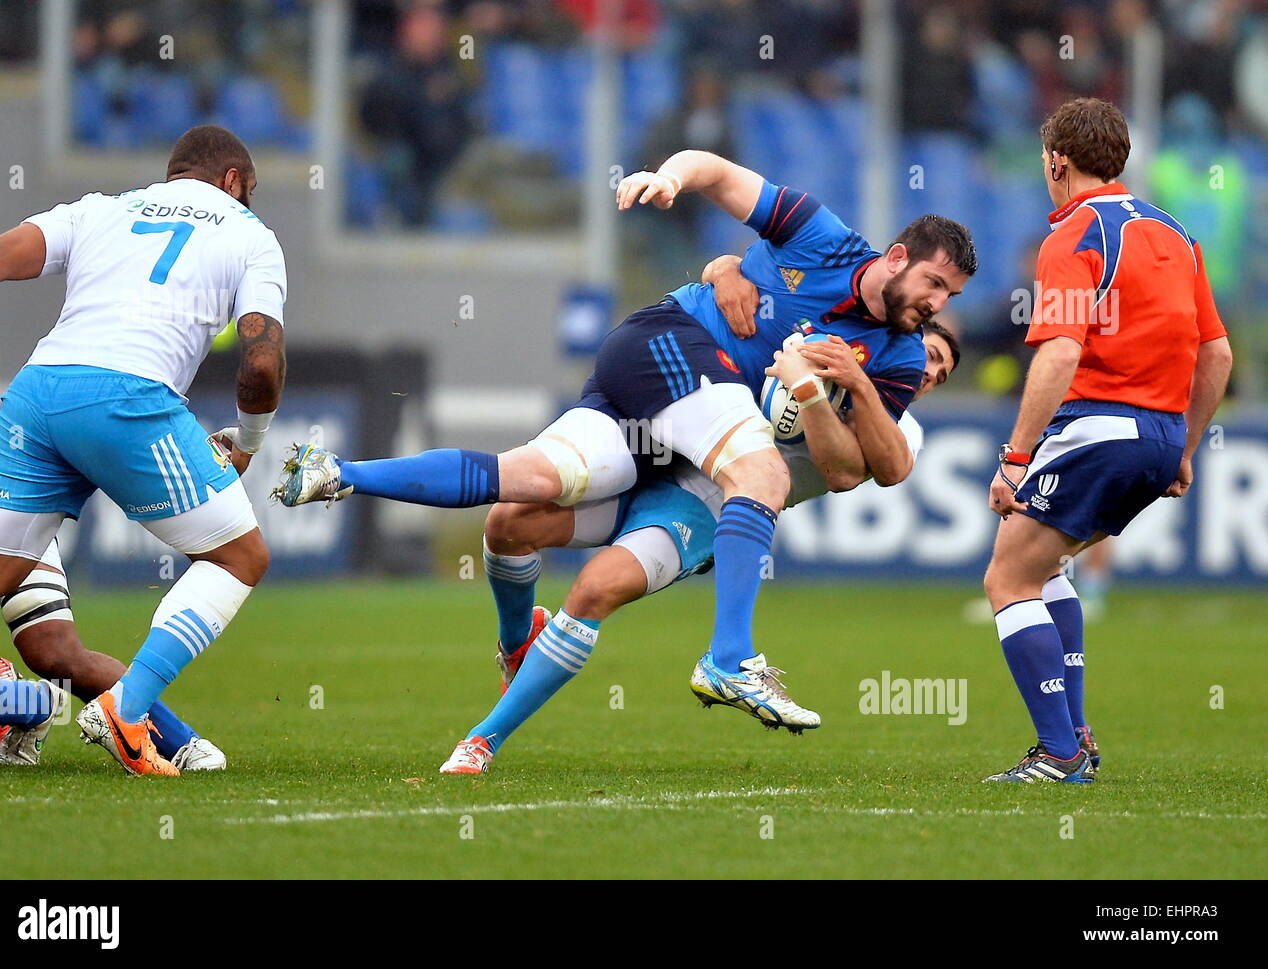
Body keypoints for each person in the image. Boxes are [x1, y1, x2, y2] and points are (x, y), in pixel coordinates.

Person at [275, 149, 975, 730]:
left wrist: (822, 388)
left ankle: (339, 475)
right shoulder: (824, 237)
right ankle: (730, 657)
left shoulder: (898, 363)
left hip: (682, 453)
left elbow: (860, 470)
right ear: (897, 256)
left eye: (952, 299)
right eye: (935, 284)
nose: (937, 307)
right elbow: (720, 173)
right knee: (763, 475)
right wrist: (673, 180)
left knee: (522, 497)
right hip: (674, 351)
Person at [440, 308, 961, 775]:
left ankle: (481, 741)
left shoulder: (900, 432)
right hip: (656, 463)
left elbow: (841, 469)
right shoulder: (805, 345)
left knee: (594, 590)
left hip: (702, 510)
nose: (930, 374)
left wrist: (818, 391)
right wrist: (725, 266)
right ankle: (517, 643)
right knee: (507, 523)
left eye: (941, 374)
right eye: (931, 357)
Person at [0, 124, 287, 775]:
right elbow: (261, 363)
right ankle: (127, 708)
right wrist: (249, 443)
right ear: (232, 181)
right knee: (240, 556)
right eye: (247, 193)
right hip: (126, 400)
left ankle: (88, 710)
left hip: (37, 394)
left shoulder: (100, 209)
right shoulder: (251, 235)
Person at [982, 98, 1232, 783]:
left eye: (1043, 158)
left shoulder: (1073, 234)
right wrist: (1182, 447)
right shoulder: (1175, 232)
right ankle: (1076, 738)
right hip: (1155, 436)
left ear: (1056, 161)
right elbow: (1218, 356)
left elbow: (1060, 354)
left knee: (1006, 577)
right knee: (1045, 568)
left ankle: (1060, 752)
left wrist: (1016, 457)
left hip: (1098, 425)